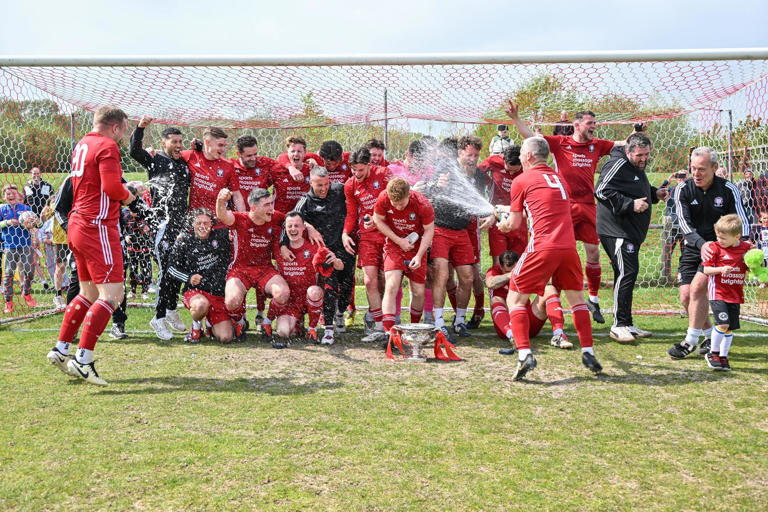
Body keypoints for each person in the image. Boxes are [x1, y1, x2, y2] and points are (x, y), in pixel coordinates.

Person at [506, 101, 635, 324]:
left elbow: (623, 145)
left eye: (594, 123)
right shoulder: (560, 143)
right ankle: (551, 300)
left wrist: (635, 132)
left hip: (588, 204)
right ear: (576, 125)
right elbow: (533, 140)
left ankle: (593, 300)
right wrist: (516, 119)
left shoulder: (597, 145)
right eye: (590, 123)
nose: (593, 126)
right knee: (560, 252)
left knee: (593, 253)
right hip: (564, 205)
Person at [46, 105, 140, 386]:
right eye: (123, 130)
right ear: (115, 127)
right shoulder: (107, 145)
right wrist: (129, 196)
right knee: (113, 295)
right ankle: (83, 359)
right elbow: (112, 188)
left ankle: (62, 348)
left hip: (78, 223)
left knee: (87, 292)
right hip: (97, 226)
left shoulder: (82, 144)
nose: (122, 137)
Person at [497, 137, 602, 381]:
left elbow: (514, 224)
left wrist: (503, 225)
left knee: (515, 298)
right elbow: (542, 207)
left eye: (522, 154)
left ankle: (524, 354)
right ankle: (588, 352)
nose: (520, 158)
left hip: (542, 246)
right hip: (568, 247)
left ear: (529, 156)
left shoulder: (521, 180)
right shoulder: (558, 178)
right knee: (577, 300)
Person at [667, 147, 750, 359]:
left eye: (702, 169)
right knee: (687, 296)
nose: (696, 173)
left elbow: (741, 220)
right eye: (693, 168)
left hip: (719, 251)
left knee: (697, 289)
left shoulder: (728, 189)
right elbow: (683, 223)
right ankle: (709, 335)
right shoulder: (683, 189)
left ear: (714, 168)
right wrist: (701, 244)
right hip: (693, 247)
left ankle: (689, 341)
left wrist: (746, 246)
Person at [595, 132, 669, 342]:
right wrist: (630, 204)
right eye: (639, 155)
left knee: (628, 273)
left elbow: (634, 189)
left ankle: (627, 323)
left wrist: (654, 194)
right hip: (616, 230)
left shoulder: (635, 167)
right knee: (626, 272)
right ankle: (618, 325)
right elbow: (601, 190)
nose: (644, 159)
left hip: (630, 232)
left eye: (647, 154)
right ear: (628, 152)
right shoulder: (618, 164)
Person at [130, 116, 191, 340]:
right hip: (163, 224)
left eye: (180, 142)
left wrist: (197, 147)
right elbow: (134, 151)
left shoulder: (183, 163)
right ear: (164, 143)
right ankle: (158, 317)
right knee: (166, 270)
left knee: (178, 268)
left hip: (181, 224)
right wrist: (140, 128)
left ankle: (171, 309)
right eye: (174, 142)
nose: (178, 146)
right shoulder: (156, 160)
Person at [216, 187, 290, 342]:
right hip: (240, 269)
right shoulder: (241, 219)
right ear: (254, 208)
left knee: (283, 293)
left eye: (271, 203)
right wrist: (221, 201)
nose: (271, 209)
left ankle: (267, 322)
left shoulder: (274, 216)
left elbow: (293, 220)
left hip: (264, 269)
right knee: (231, 302)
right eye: (267, 205)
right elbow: (223, 216)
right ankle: (240, 322)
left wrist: (310, 229)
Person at [293, 167, 354, 344]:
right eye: (319, 185)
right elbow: (292, 219)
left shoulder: (339, 190)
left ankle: (340, 312)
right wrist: (308, 226)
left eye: (326, 184)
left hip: (344, 246)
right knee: (330, 286)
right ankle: (328, 329)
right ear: (311, 182)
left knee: (347, 285)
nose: (324, 188)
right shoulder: (305, 200)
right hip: (324, 251)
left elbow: (355, 196)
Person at [372, 178, 435, 340]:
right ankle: (389, 332)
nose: (397, 207)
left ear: (409, 194)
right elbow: (377, 219)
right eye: (394, 204)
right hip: (394, 245)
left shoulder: (422, 203)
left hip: (417, 247)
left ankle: (414, 329)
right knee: (391, 285)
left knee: (418, 291)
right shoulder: (383, 197)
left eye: (401, 204)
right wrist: (399, 241)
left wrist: (419, 256)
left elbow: (429, 230)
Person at [342, 147, 391, 341]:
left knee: (386, 279)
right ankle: (378, 326)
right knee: (370, 281)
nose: (356, 173)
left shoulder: (384, 174)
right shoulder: (350, 185)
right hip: (367, 237)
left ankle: (386, 321)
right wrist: (345, 234)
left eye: (361, 170)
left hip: (388, 235)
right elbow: (351, 214)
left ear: (369, 165)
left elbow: (396, 204)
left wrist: (379, 220)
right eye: (353, 169)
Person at [230, 135, 277, 328]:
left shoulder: (265, 164)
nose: (253, 158)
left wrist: (301, 163)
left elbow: (285, 160)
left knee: (261, 264)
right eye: (249, 155)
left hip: (262, 224)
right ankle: (240, 316)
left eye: (255, 154)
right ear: (239, 154)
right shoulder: (231, 166)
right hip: (239, 227)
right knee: (240, 269)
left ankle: (260, 313)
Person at [271, 211, 337, 348]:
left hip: (309, 297)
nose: (293, 229)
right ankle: (298, 323)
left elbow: (337, 265)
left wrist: (336, 261)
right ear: (285, 229)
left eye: (296, 226)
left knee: (314, 291)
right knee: (283, 332)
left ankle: (312, 329)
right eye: (289, 226)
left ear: (303, 228)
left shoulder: (314, 246)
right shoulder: (279, 248)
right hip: (290, 301)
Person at [168, 208, 233, 344]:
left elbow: (237, 229)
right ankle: (196, 327)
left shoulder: (221, 236)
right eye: (199, 223)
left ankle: (209, 325)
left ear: (212, 224)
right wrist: (189, 277)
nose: (202, 226)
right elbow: (171, 268)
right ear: (193, 224)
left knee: (226, 337)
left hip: (217, 293)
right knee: (201, 305)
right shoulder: (184, 241)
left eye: (206, 223)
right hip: (195, 292)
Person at [486, 250, 573, 352]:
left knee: (549, 289)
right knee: (496, 299)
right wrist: (511, 275)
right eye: (507, 270)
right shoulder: (494, 271)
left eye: (515, 268)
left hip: (526, 321)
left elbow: (543, 279)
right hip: (505, 326)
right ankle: (512, 336)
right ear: (501, 267)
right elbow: (490, 283)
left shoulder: (524, 269)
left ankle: (559, 335)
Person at [701, 214, 752, 371]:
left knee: (729, 328)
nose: (719, 240)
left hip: (735, 294)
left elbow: (753, 264)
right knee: (723, 324)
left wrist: (756, 262)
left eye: (723, 238)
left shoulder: (746, 248)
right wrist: (721, 269)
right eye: (718, 236)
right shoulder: (715, 248)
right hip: (718, 292)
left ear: (737, 236)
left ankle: (723, 356)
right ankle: (713, 353)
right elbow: (706, 270)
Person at [478, 145, 528, 267]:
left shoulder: (528, 168)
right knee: (499, 261)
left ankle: (515, 279)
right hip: (497, 215)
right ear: (503, 159)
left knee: (519, 261)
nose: (511, 173)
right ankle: (496, 279)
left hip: (519, 216)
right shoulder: (494, 160)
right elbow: (477, 172)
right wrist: (488, 181)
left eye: (515, 171)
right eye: (508, 169)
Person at [182, 127, 244, 213]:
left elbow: (236, 195)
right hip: (197, 217)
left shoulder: (228, 165)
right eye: (220, 145)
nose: (223, 150)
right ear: (207, 142)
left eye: (224, 146)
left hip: (219, 218)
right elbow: (169, 156)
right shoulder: (191, 156)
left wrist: (243, 218)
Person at [1, 184, 37, 312]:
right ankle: (8, 302)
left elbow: (37, 224)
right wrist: (7, 222)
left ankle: (26, 293)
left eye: (14, 193)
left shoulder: (26, 208)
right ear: (4, 197)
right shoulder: (2, 209)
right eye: (8, 194)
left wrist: (33, 223)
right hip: (10, 246)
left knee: (30, 271)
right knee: (9, 273)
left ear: (18, 196)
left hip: (25, 244)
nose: (11, 195)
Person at [271, 136, 313, 214]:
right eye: (293, 151)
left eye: (299, 151)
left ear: (305, 152)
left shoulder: (310, 170)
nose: (296, 154)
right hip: (281, 216)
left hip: (303, 216)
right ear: (287, 152)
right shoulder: (277, 170)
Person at [661, 169, 688, 285]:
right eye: (679, 176)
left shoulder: (689, 190)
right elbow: (658, 191)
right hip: (671, 226)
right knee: (667, 252)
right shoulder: (671, 190)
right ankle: (665, 277)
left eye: (683, 176)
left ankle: (682, 275)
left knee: (686, 253)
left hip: (685, 227)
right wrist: (668, 180)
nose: (681, 178)